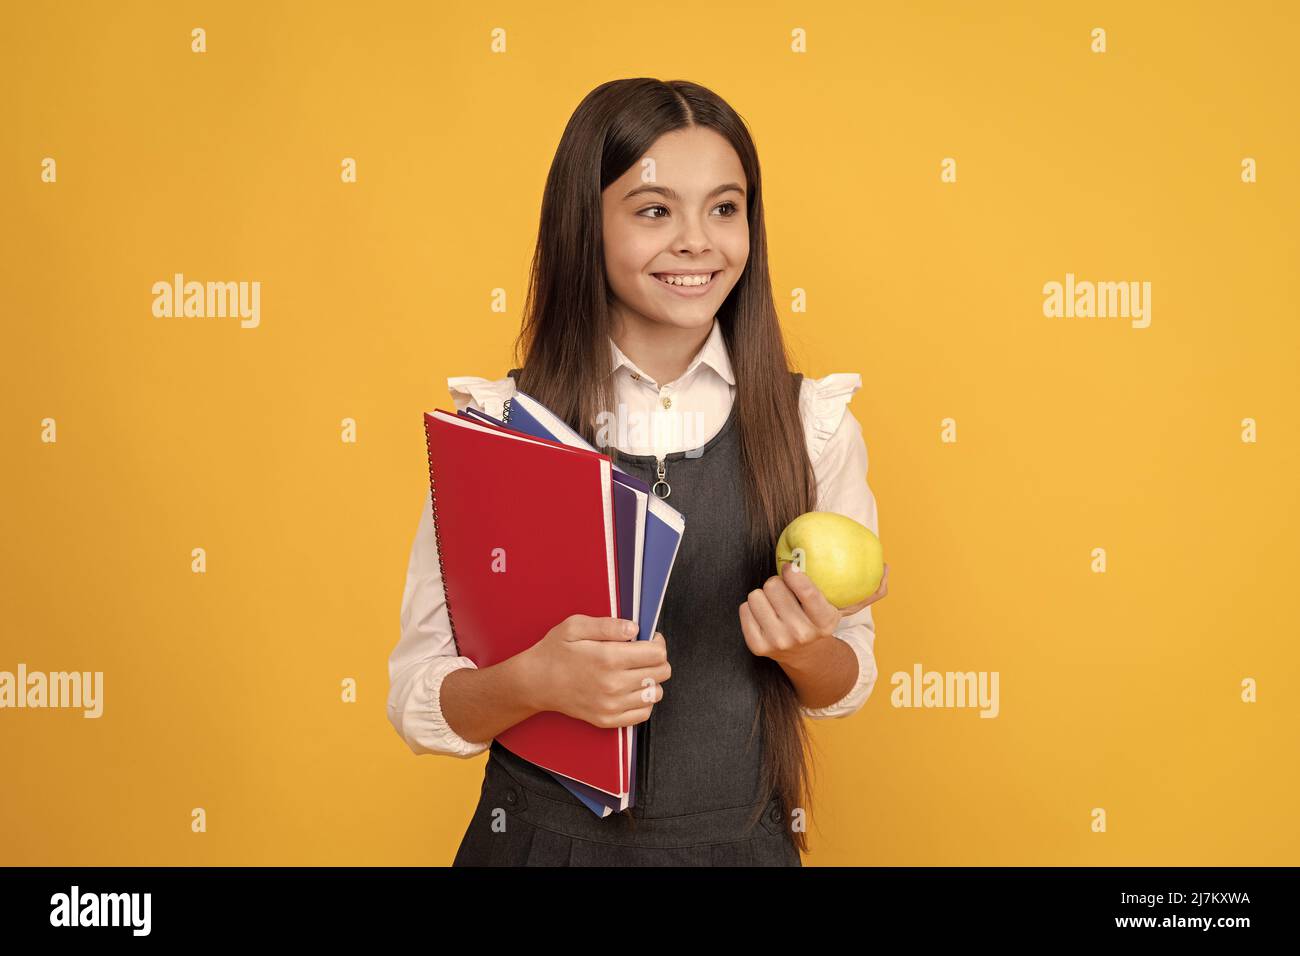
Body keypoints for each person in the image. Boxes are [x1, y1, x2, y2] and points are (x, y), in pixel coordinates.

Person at [387, 78, 890, 866]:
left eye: (725, 209)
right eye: (655, 210)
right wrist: (535, 682)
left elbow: (843, 678)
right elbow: (422, 699)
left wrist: (799, 649)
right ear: (585, 226)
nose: (697, 241)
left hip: (737, 849)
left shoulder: (811, 424)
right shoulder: (501, 427)